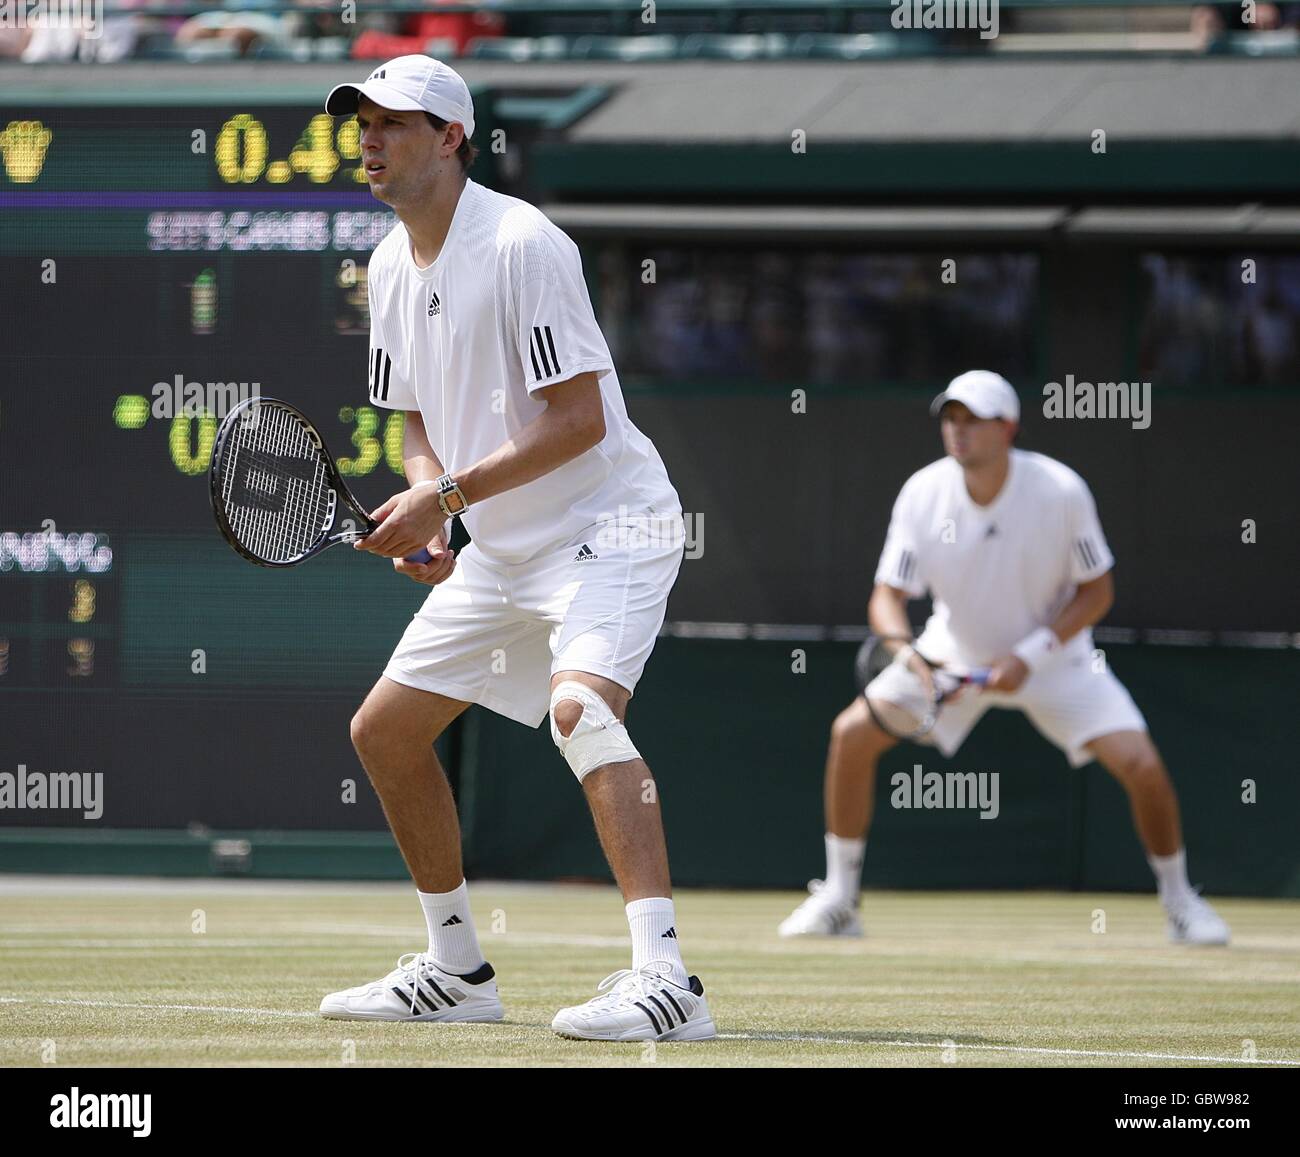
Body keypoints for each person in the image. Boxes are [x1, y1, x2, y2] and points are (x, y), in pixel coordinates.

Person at [315, 56, 716, 1042]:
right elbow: (414, 422)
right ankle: (456, 966)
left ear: (452, 137)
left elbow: (576, 420)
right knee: (384, 731)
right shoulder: (384, 265)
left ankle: (668, 980)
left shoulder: (523, 241)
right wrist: (433, 505)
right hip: (501, 545)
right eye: (361, 122)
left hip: (607, 525)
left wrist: (445, 492)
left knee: (577, 711)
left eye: (394, 123)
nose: (370, 139)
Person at [779, 370, 1231, 946]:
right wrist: (908, 653)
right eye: (951, 418)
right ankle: (840, 899)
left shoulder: (1060, 491)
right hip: (948, 654)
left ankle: (1180, 902)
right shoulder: (923, 491)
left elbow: (1098, 591)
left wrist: (1031, 654)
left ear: (1009, 427)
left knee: (1142, 766)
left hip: (1056, 659)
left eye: (973, 419)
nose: (958, 430)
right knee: (850, 736)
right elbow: (887, 597)